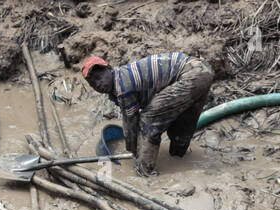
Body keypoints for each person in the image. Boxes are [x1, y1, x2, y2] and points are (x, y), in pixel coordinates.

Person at [81, 52, 214, 177]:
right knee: (182, 122)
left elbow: (132, 121)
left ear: (109, 69)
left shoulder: (122, 84)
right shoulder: (123, 77)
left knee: (148, 118)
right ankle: (178, 157)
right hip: (202, 71)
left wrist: (134, 151)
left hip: (191, 74)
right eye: (93, 84)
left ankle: (145, 173)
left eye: (99, 78)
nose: (98, 84)